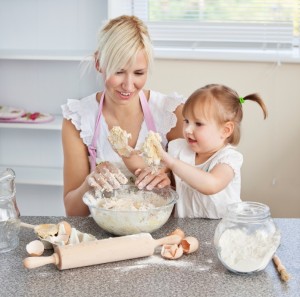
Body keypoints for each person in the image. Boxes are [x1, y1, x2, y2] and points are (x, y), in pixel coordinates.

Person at [61, 15, 185, 216]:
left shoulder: (171, 113)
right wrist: (89, 183)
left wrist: (168, 180)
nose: (128, 85)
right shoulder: (78, 119)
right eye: (119, 72)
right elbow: (73, 212)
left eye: (138, 73)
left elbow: (193, 194)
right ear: (99, 63)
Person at [157, 84, 268, 219]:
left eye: (198, 124)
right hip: (186, 229)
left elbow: (211, 184)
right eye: (186, 121)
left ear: (225, 130)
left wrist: (172, 163)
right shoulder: (179, 149)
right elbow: (160, 173)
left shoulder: (228, 159)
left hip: (224, 229)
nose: (187, 130)